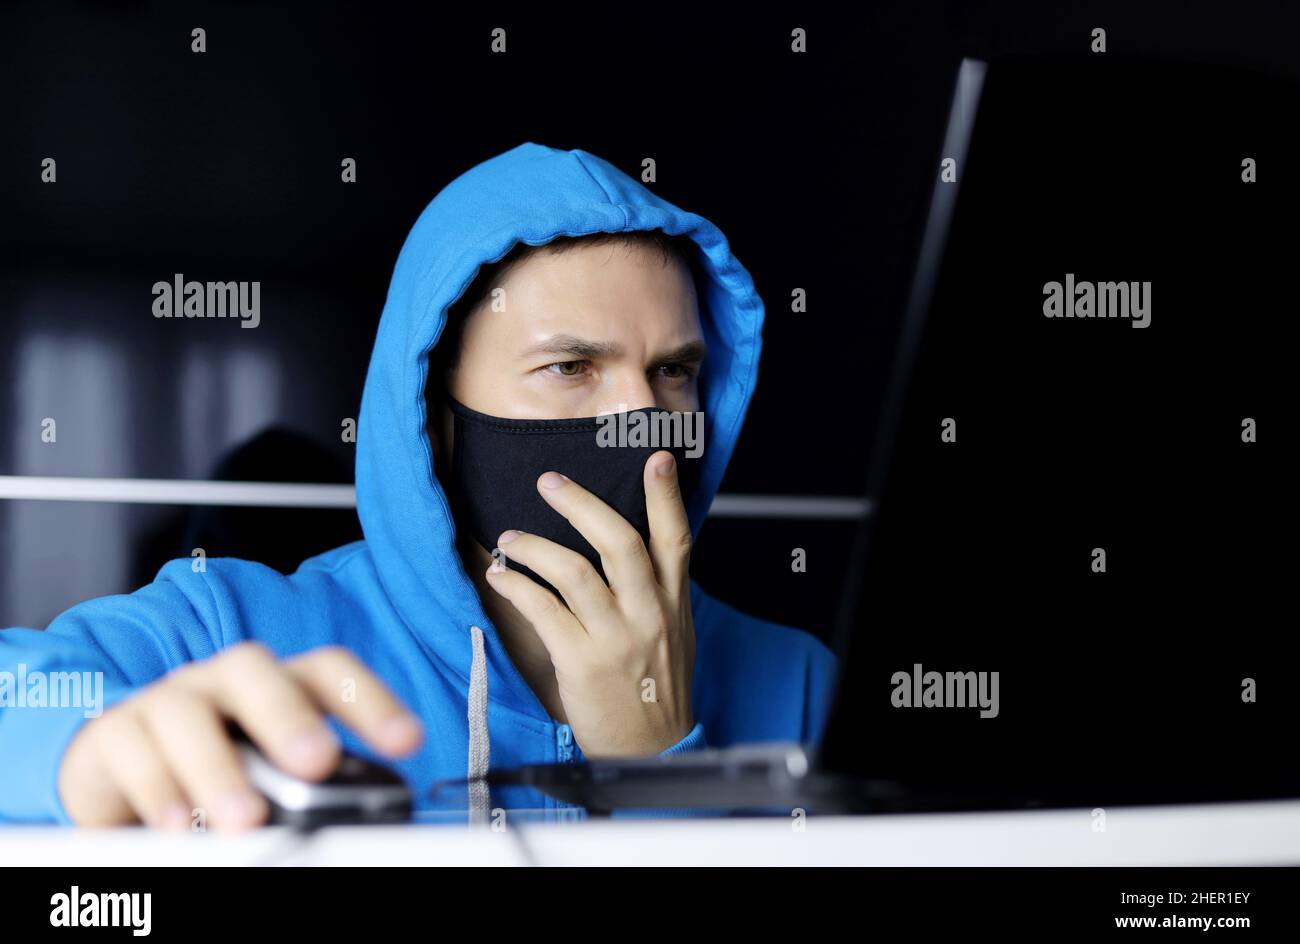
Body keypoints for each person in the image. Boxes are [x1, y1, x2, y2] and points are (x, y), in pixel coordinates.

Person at [0, 142, 837, 829]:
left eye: (674, 370)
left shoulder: (802, 688)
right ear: (434, 414)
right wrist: (87, 750)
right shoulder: (230, 628)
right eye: (571, 366)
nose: (639, 417)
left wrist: (660, 779)